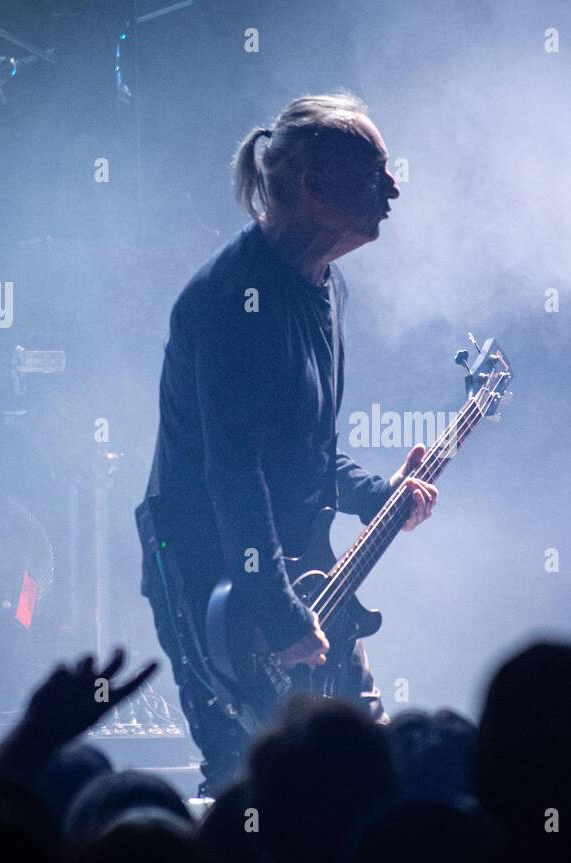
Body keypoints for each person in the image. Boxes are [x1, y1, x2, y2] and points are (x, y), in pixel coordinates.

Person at [136, 92, 437, 794]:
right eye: (373, 172)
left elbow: (306, 452)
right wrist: (275, 611)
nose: (394, 187)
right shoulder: (229, 303)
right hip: (212, 580)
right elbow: (234, 477)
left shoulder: (327, 290)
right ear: (312, 186)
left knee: (368, 768)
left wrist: (378, 495)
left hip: (297, 575)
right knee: (254, 784)